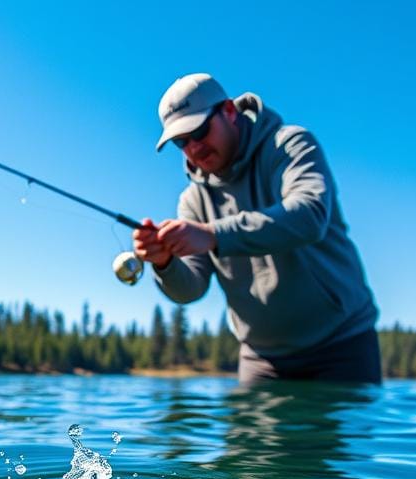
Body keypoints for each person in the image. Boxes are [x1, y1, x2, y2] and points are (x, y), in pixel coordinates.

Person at [132, 73, 382, 385]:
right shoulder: (192, 202)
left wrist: (213, 235)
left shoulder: (290, 146)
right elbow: (190, 288)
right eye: (181, 141)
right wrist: (165, 263)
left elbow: (309, 215)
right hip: (261, 360)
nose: (194, 147)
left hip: (342, 345)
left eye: (199, 130)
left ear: (229, 111)